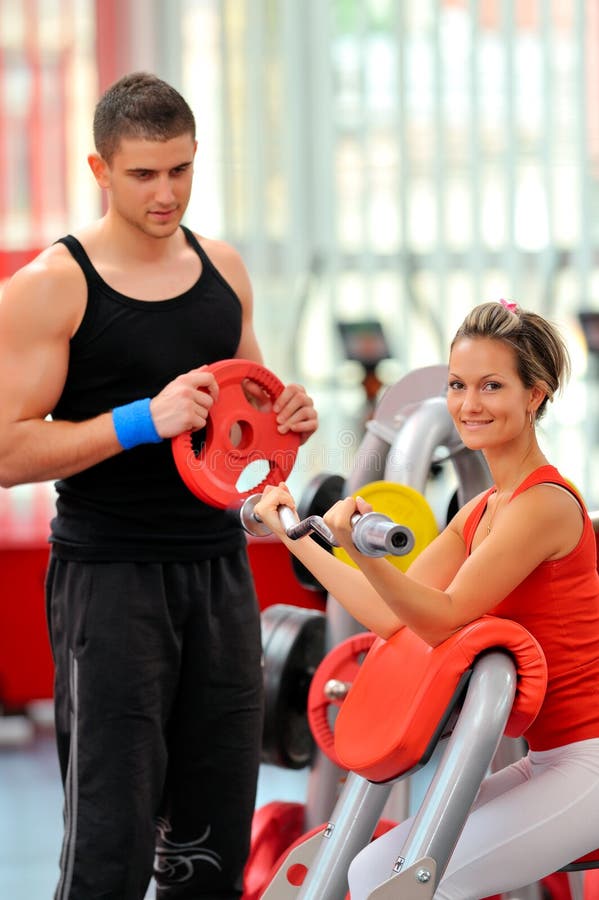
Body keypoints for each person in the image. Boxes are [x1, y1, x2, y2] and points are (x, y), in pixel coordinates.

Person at [0, 72, 317, 900]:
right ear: (100, 170)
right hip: (111, 582)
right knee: (111, 843)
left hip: (217, 575)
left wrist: (285, 422)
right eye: (143, 174)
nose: (165, 191)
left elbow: (242, 441)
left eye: (179, 170)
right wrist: (143, 420)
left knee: (210, 840)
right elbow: (4, 453)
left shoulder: (224, 270)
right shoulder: (52, 287)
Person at [253, 299, 599, 900]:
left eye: (492, 386)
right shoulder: (481, 510)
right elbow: (392, 615)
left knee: (420, 888)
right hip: (547, 761)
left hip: (589, 763)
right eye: (458, 385)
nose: (469, 404)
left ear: (534, 395)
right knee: (366, 874)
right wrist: (298, 536)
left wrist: (364, 553)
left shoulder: (545, 506)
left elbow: (441, 619)